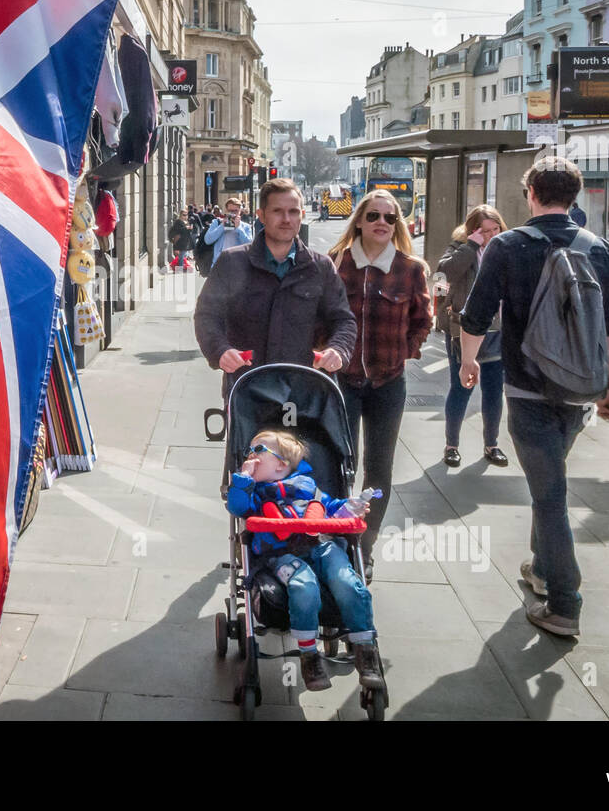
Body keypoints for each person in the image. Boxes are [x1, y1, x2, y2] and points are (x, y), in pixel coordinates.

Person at [459, 156, 609, 638]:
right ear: (574, 196)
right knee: (547, 483)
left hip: (528, 389)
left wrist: (469, 361)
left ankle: (565, 603)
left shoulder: (508, 246)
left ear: (530, 192)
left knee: (549, 495)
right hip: (580, 393)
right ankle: (541, 569)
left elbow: (476, 314)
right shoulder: (600, 250)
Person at [224, 428, 381, 692]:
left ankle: (366, 651)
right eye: (250, 450)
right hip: (281, 555)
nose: (251, 455)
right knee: (303, 586)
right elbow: (237, 506)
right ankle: (309, 656)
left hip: (322, 547)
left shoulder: (311, 489)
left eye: (259, 450)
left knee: (347, 581)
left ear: (281, 465)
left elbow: (334, 510)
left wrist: (353, 507)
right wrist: (242, 478)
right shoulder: (255, 494)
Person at [330, 189, 433, 583]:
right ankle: (336, 543)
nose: (382, 223)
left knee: (378, 472)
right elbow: (322, 316)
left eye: (390, 218)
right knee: (341, 465)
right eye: (374, 215)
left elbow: (424, 318)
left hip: (388, 383)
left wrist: (403, 351)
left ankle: (364, 547)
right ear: (359, 219)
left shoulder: (410, 268)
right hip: (343, 381)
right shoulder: (337, 264)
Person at [194, 178, 355, 396]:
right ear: (261, 215)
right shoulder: (232, 262)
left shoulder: (320, 267)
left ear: (302, 215)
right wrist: (220, 350)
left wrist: (338, 349)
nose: (286, 219)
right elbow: (206, 315)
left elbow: (344, 320)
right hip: (247, 389)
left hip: (305, 390)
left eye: (293, 212)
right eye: (278, 211)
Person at [437, 205, 509, 469]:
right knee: (461, 388)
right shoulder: (459, 249)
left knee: (493, 391)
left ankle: (492, 445)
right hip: (464, 332)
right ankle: (451, 445)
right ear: (472, 231)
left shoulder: (505, 250)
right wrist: (471, 246)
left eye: (495, 229)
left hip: (497, 331)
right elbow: (442, 275)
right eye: (484, 231)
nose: (491, 235)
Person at [201, 196, 253, 265]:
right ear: (226, 211)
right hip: (219, 265)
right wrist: (222, 226)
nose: (233, 213)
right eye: (230, 211)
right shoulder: (217, 222)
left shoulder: (246, 227)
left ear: (240, 211)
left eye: (235, 211)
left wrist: (239, 228)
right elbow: (208, 240)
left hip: (238, 266)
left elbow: (249, 245)